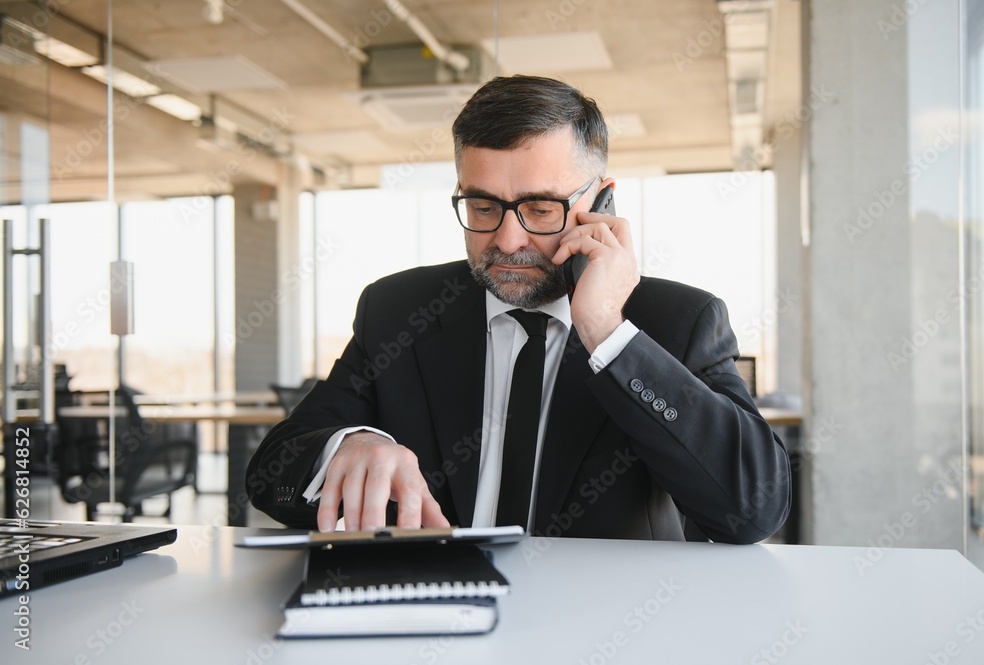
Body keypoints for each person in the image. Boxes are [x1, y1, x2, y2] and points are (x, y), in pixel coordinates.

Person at [246, 75, 791, 544]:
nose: (507, 240)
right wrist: (349, 446)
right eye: (482, 206)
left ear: (602, 201)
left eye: (540, 207)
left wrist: (607, 331)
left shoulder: (678, 320)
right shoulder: (396, 310)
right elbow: (272, 470)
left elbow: (753, 509)